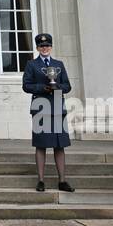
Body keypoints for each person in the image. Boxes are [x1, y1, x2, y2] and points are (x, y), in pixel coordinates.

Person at [21, 33, 75, 193]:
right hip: (40, 106)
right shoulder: (32, 64)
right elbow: (26, 85)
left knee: (60, 145)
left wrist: (57, 87)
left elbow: (68, 85)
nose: (45, 48)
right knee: (41, 144)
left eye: (47, 46)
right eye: (42, 46)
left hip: (58, 106)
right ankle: (41, 180)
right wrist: (42, 88)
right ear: (37, 48)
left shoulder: (59, 64)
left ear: (51, 47)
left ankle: (62, 180)